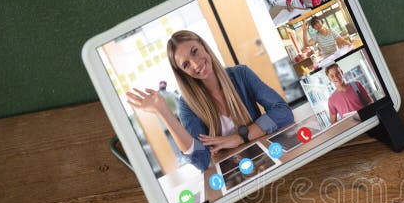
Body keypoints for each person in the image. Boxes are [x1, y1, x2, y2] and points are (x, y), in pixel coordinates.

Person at [125, 30, 294, 171]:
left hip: (268, 157)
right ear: (183, 73)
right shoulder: (188, 104)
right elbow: (201, 160)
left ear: (204, 46)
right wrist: (163, 111)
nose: (196, 64)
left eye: (194, 51)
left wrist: (238, 138)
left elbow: (283, 112)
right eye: (186, 65)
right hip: (233, 171)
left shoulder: (241, 74)